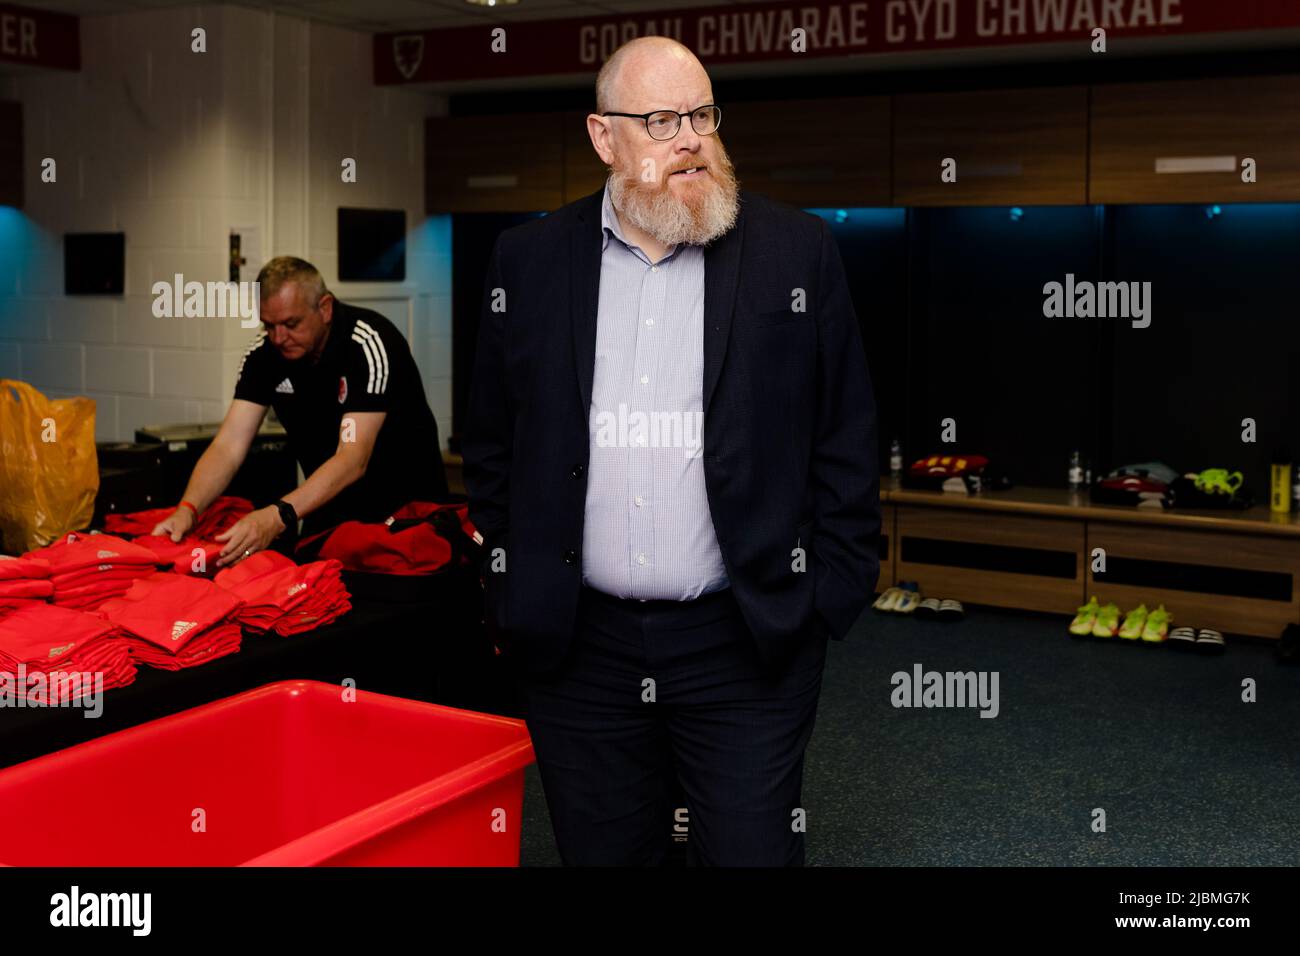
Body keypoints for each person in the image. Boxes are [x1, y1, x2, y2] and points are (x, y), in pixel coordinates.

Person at [463, 37, 880, 865]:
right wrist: (514, 581)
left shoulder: (795, 253)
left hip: (746, 642)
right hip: (581, 650)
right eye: (660, 120)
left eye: (702, 114)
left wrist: (824, 598)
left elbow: (846, 439)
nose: (690, 137)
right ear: (603, 137)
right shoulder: (530, 260)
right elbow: (491, 443)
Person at [152, 257, 448, 566]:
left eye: (291, 324)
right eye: (269, 325)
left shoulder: (368, 343)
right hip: (329, 513)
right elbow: (228, 445)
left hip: (407, 518)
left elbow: (352, 458)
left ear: (325, 308)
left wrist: (278, 515)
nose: (279, 337)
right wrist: (188, 508)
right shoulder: (264, 354)